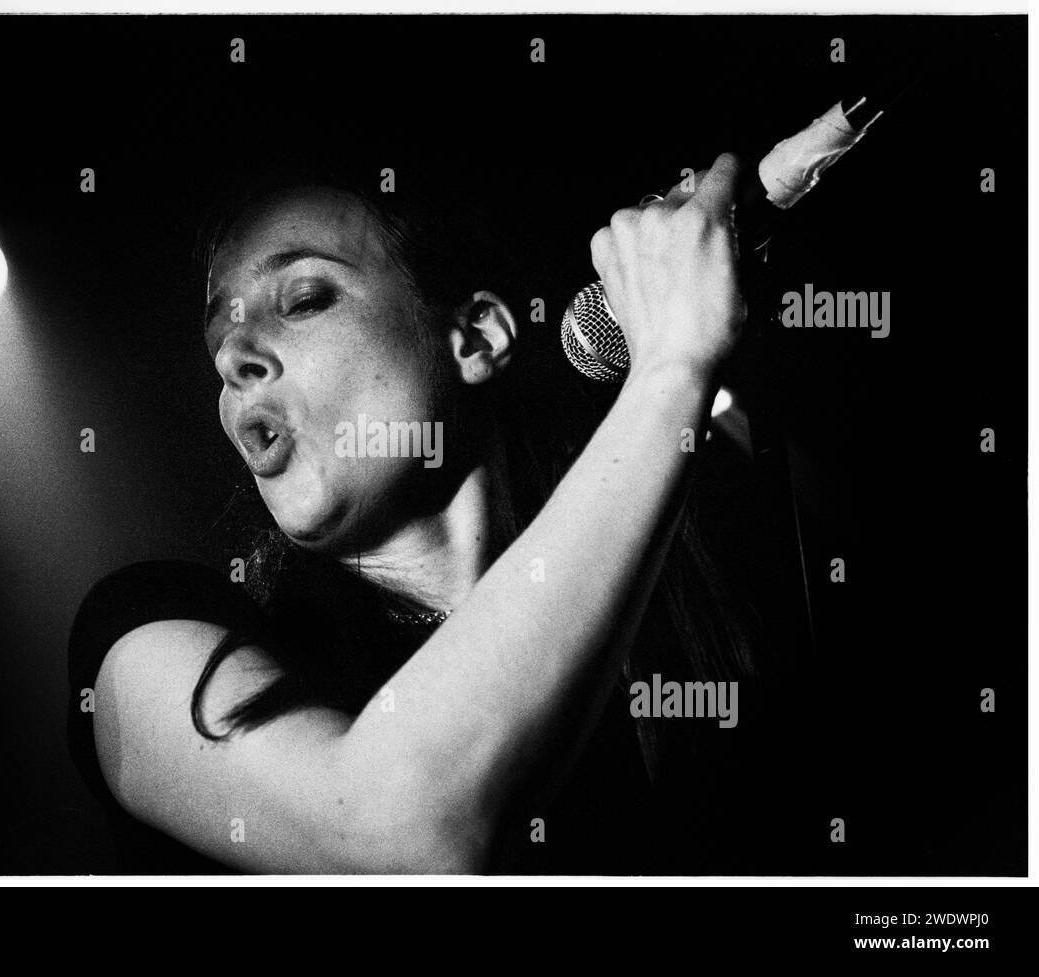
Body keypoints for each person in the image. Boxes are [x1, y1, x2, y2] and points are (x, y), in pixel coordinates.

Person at [67, 152, 756, 874]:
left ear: (477, 337)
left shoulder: (667, 648)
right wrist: (673, 362)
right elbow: (398, 834)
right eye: (220, 346)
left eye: (303, 299)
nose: (234, 354)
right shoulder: (145, 633)